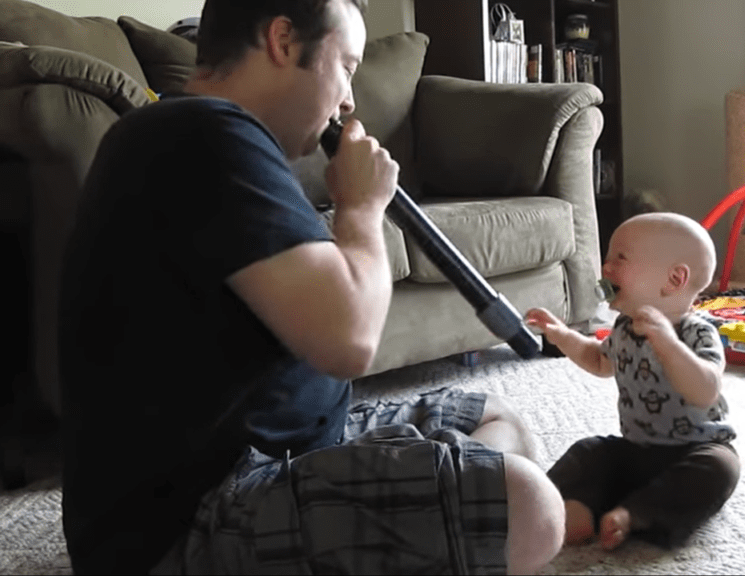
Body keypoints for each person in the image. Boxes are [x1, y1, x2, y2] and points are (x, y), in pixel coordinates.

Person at [57, 0, 564, 573]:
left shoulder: (200, 136)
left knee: (502, 420)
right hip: (191, 518)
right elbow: (347, 339)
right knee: (529, 506)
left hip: (293, 447)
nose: (350, 99)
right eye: (346, 65)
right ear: (282, 40)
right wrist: (361, 207)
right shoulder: (203, 135)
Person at [525, 212, 740, 551]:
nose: (606, 268)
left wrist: (667, 342)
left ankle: (635, 514)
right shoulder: (624, 328)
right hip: (636, 449)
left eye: (619, 259)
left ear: (673, 280)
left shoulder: (698, 332)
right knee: (589, 452)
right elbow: (599, 360)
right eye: (608, 258)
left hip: (695, 448)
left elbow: (705, 389)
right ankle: (572, 512)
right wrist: (562, 335)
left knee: (720, 470)